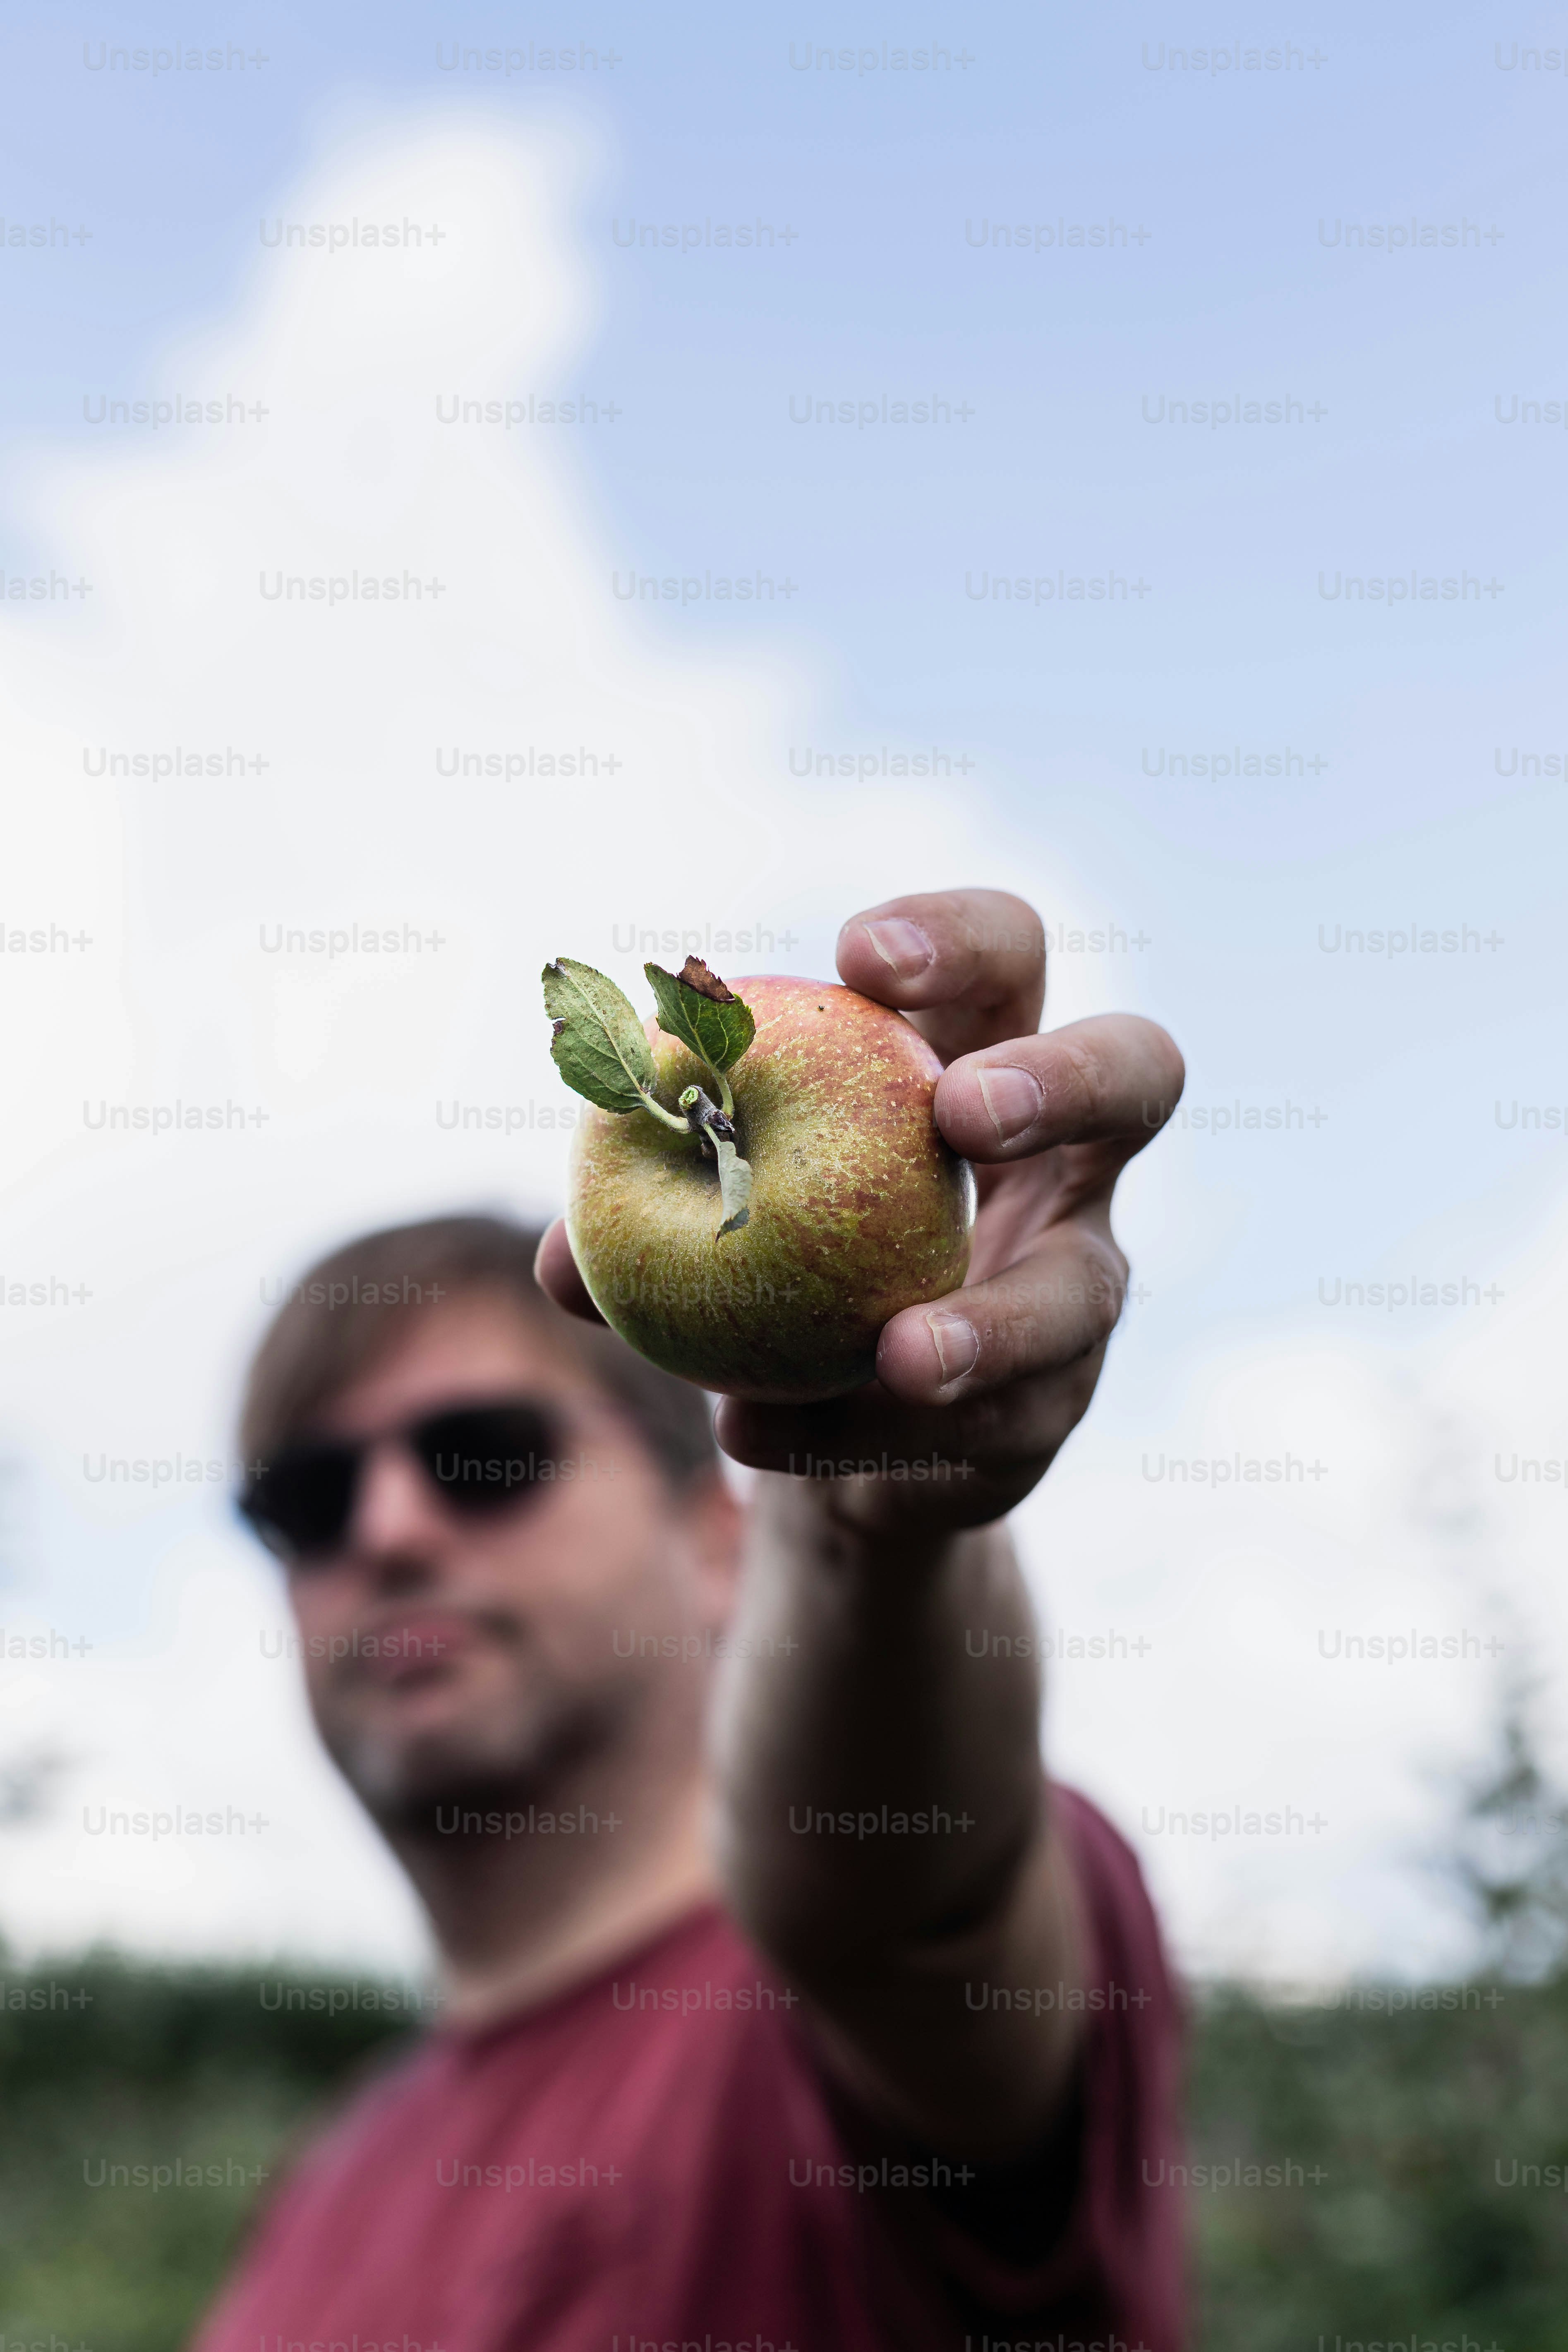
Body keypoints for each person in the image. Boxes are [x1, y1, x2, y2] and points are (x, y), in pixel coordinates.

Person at [194, 887, 1187, 2352]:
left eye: (485, 1456)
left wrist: (872, 1536)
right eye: (310, 1498)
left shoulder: (830, 2014)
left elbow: (910, 1921)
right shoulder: (324, 2188)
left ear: (721, 1535)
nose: (391, 1531)